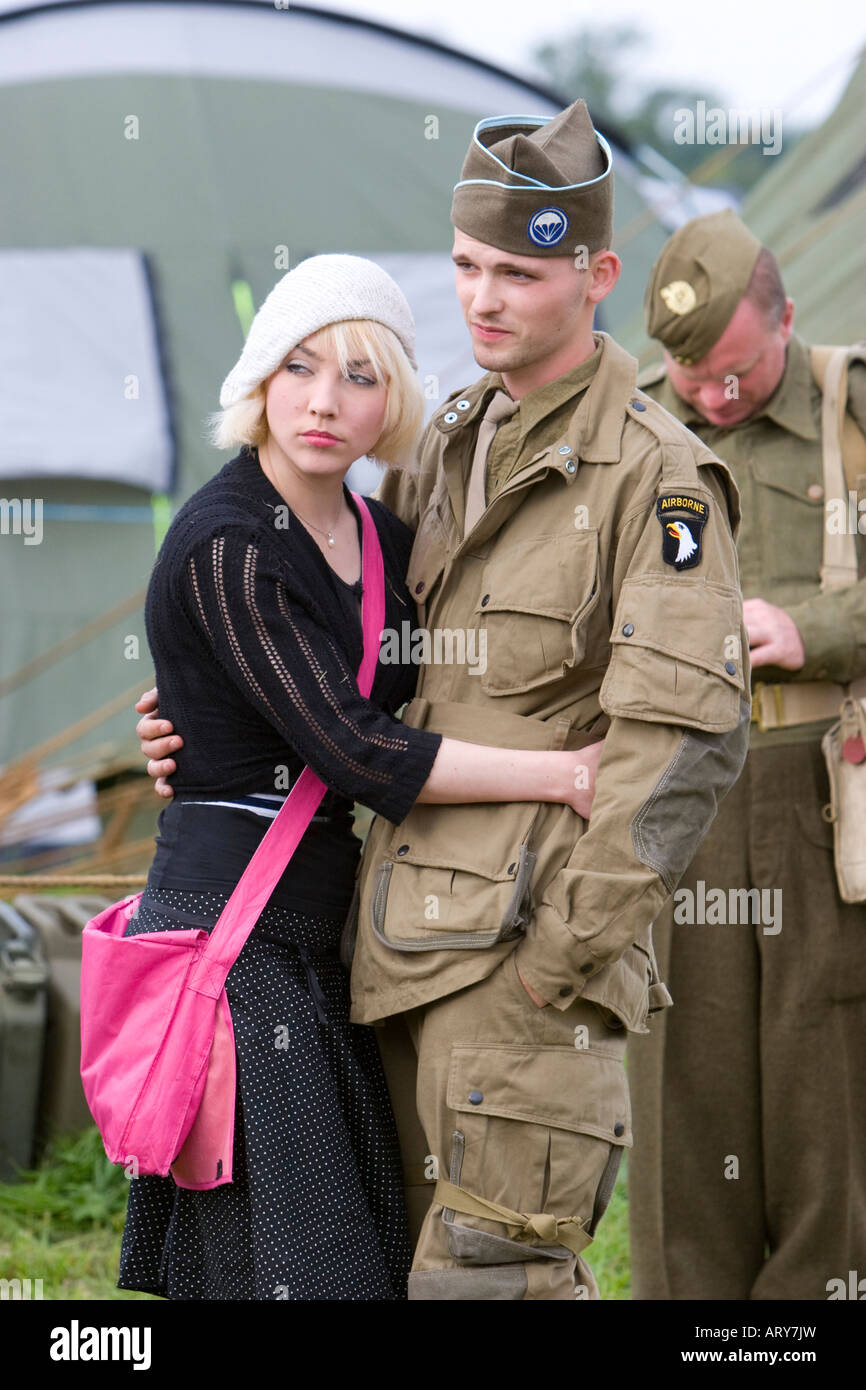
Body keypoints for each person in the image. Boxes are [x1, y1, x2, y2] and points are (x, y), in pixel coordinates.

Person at [136, 99, 749, 1301]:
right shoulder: (444, 445)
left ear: (595, 275)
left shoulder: (656, 477)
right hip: (390, 951)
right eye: (466, 266)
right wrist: (200, 732)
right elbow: (345, 658)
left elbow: (682, 742)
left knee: (493, 1284)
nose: (480, 299)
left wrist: (563, 956)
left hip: (526, 967)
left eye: (517, 273)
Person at [119, 252, 601, 1302]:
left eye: (359, 375)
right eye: (297, 369)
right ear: (256, 379)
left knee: (361, 1245)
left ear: (394, 399)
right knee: (294, 1265)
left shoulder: (382, 538)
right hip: (232, 934)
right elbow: (357, 747)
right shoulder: (227, 543)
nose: (325, 402)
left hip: (333, 932)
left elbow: (423, 703)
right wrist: (563, 773)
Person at [627, 208, 866, 1300]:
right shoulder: (627, 428)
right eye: (689, 374)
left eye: (732, 371)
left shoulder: (847, 410)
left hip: (820, 780)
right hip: (676, 786)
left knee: (825, 1075)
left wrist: (804, 629)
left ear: (784, 322)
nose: (711, 396)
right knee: (685, 1076)